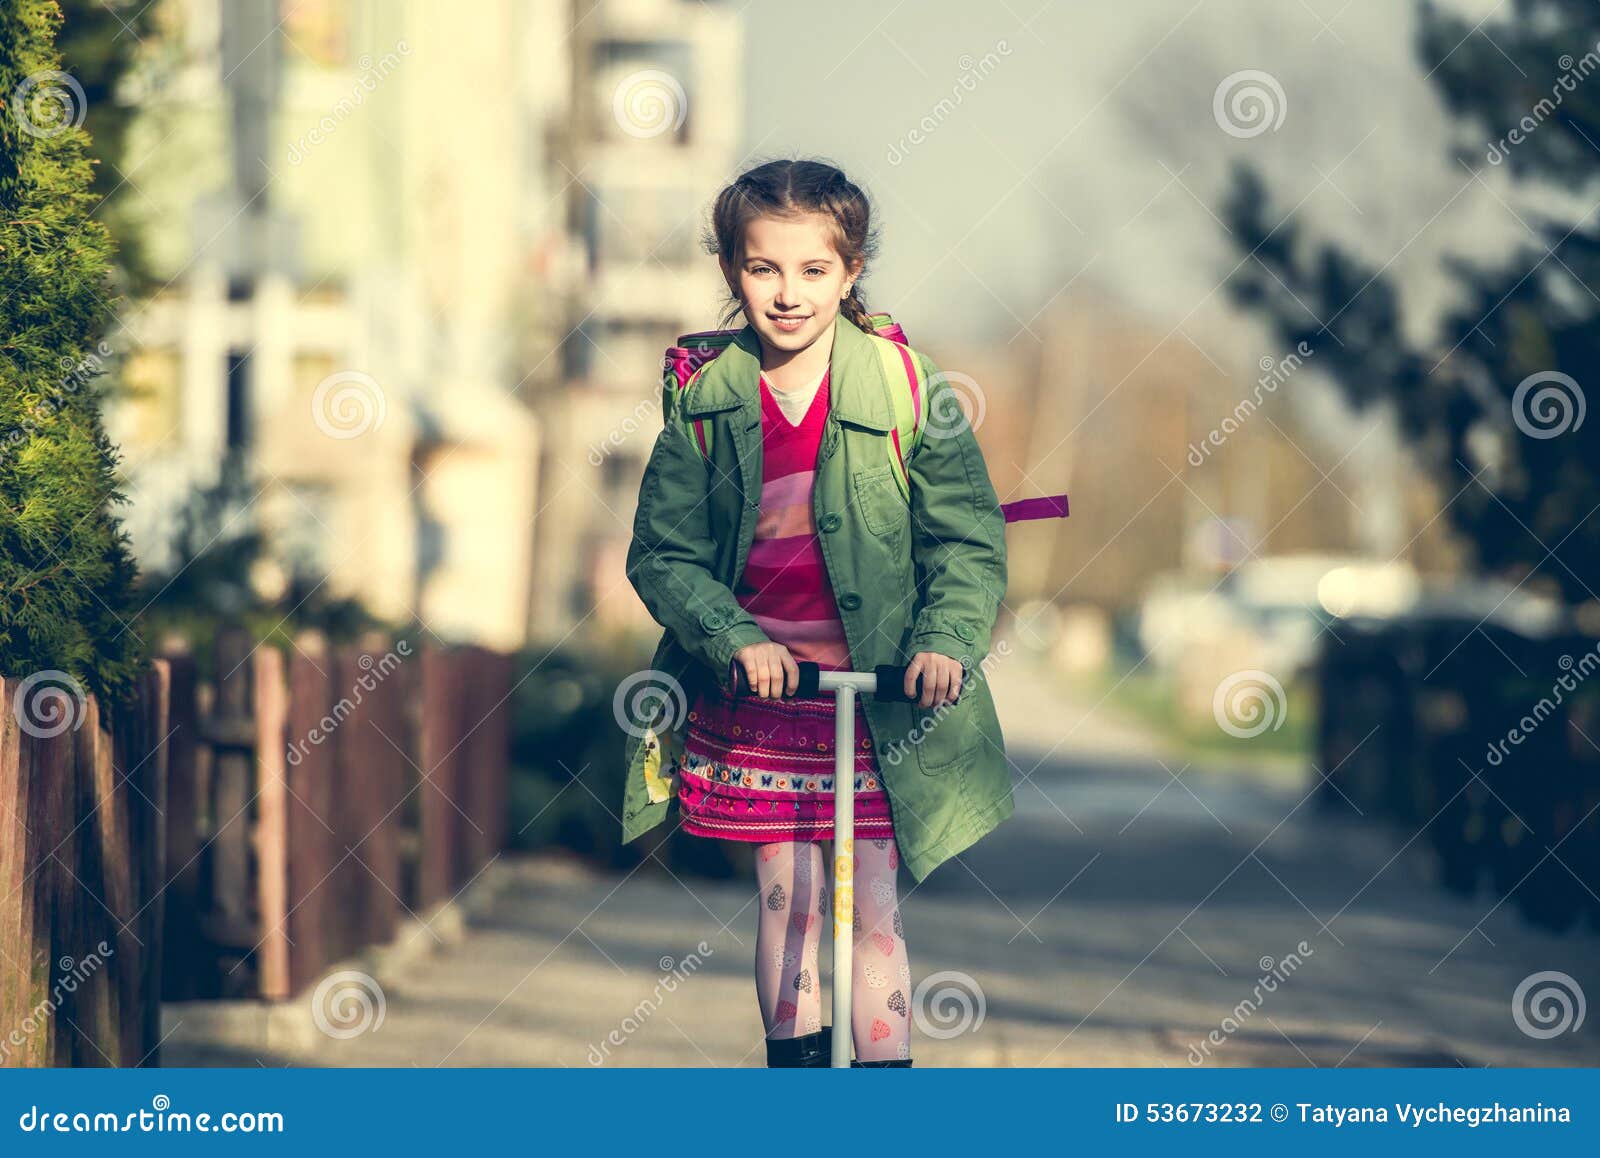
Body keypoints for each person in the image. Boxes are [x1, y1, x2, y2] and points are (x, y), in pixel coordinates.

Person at [623, 158, 1013, 1068]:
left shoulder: (909, 386)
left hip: (879, 699)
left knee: (871, 904)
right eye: (764, 269)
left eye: (814, 271)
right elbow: (664, 551)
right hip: (761, 691)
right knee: (788, 897)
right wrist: (734, 637)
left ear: (851, 270)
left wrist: (946, 643)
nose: (788, 294)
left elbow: (966, 539)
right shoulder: (706, 400)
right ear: (731, 270)